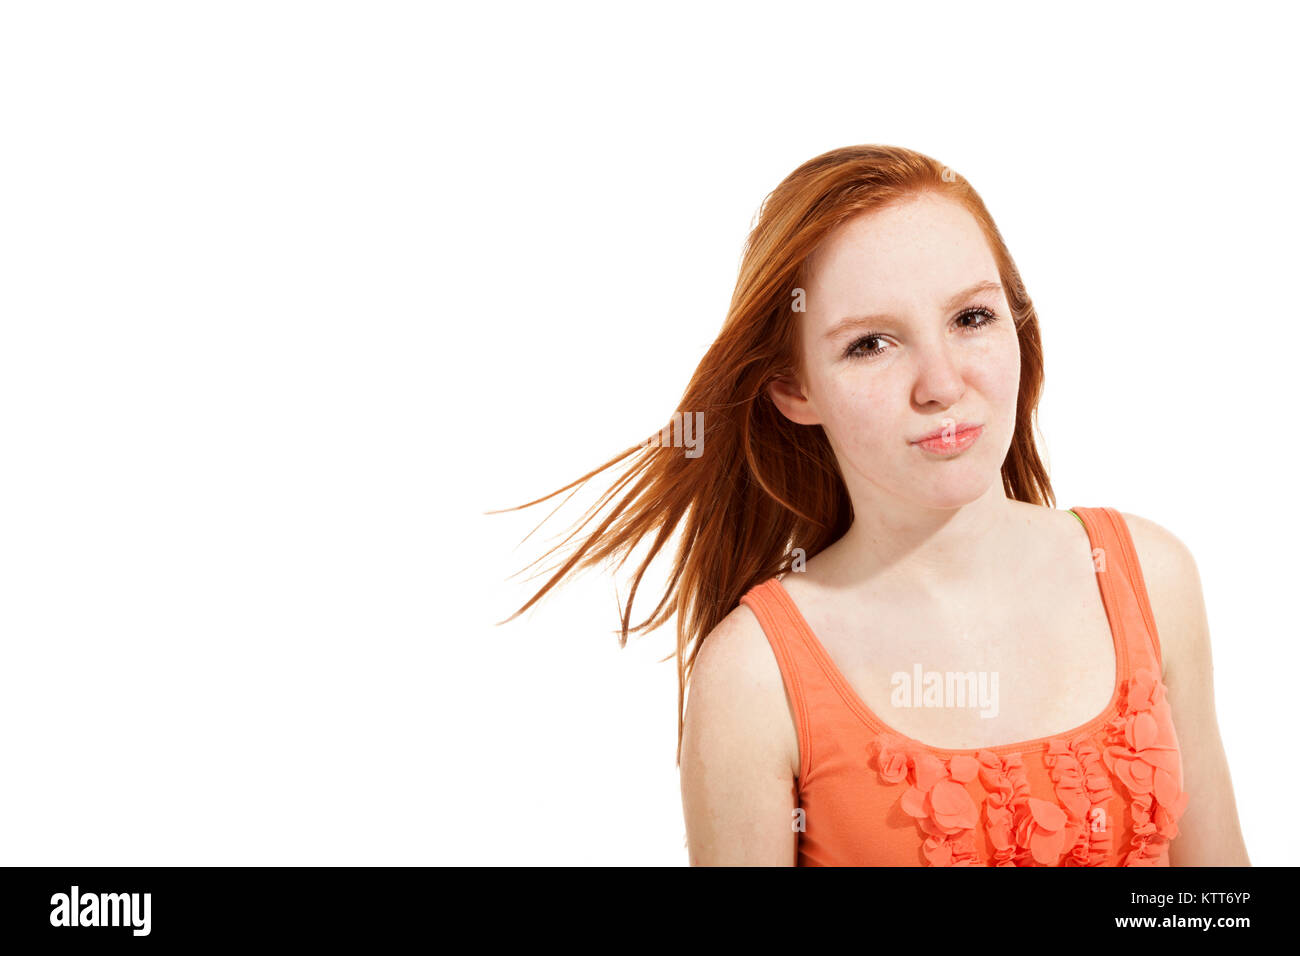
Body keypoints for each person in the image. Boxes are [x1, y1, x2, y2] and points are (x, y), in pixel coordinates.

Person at [495, 145, 1249, 866]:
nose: (941, 384)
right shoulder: (755, 677)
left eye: (972, 319)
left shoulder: (1152, 577)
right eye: (869, 345)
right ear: (794, 390)